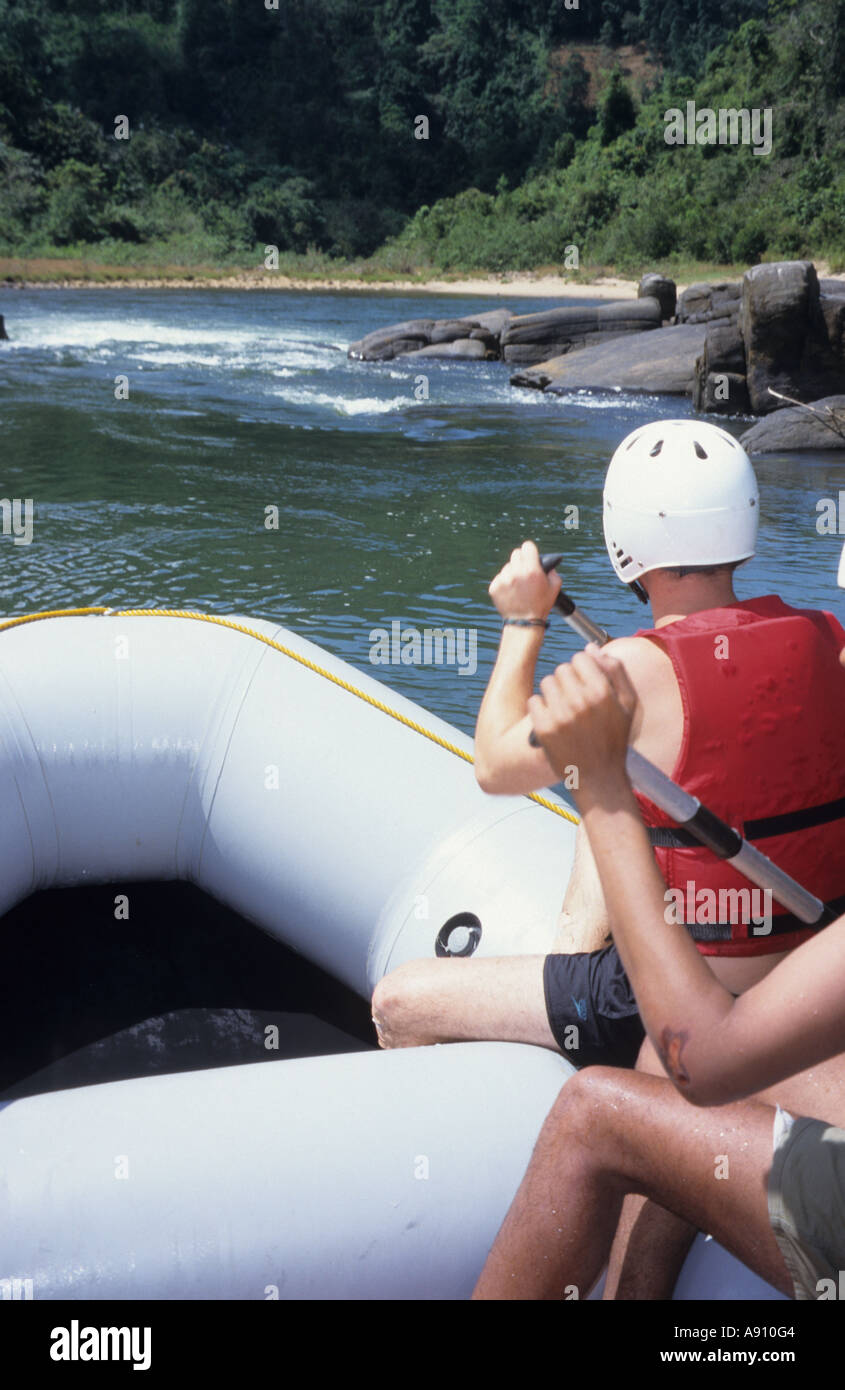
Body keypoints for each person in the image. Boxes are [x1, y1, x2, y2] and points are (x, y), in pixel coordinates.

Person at [372, 421, 845, 1075]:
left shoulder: (628, 670)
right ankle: (572, 957)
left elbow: (495, 765)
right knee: (604, 767)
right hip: (808, 981)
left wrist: (522, 619)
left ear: (624, 537)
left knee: (399, 1001)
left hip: (675, 996)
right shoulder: (828, 637)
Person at [473, 540, 845, 1301]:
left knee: (593, 1111)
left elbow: (702, 1063)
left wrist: (601, 784)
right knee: (653, 1068)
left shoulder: (636, 668)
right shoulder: (815, 646)